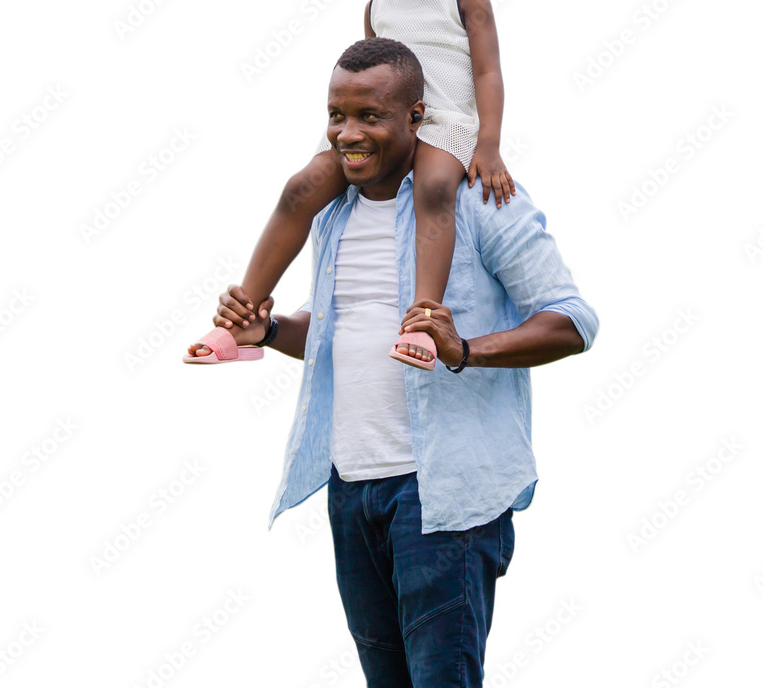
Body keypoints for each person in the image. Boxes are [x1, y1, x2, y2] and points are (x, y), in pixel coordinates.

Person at [194, 39, 598, 687]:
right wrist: (266, 329)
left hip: (444, 501)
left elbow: (573, 321)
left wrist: (463, 350)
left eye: (369, 117)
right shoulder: (333, 216)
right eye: (336, 115)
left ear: (416, 117)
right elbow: (335, 335)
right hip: (352, 490)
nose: (347, 134)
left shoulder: (478, 200)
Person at [189, 0, 515, 368]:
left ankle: (423, 323)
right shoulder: (377, 3)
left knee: (433, 191)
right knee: (302, 187)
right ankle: (240, 322)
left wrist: (487, 144)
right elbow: (369, 69)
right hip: (382, 125)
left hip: (444, 121)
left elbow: (488, 71)